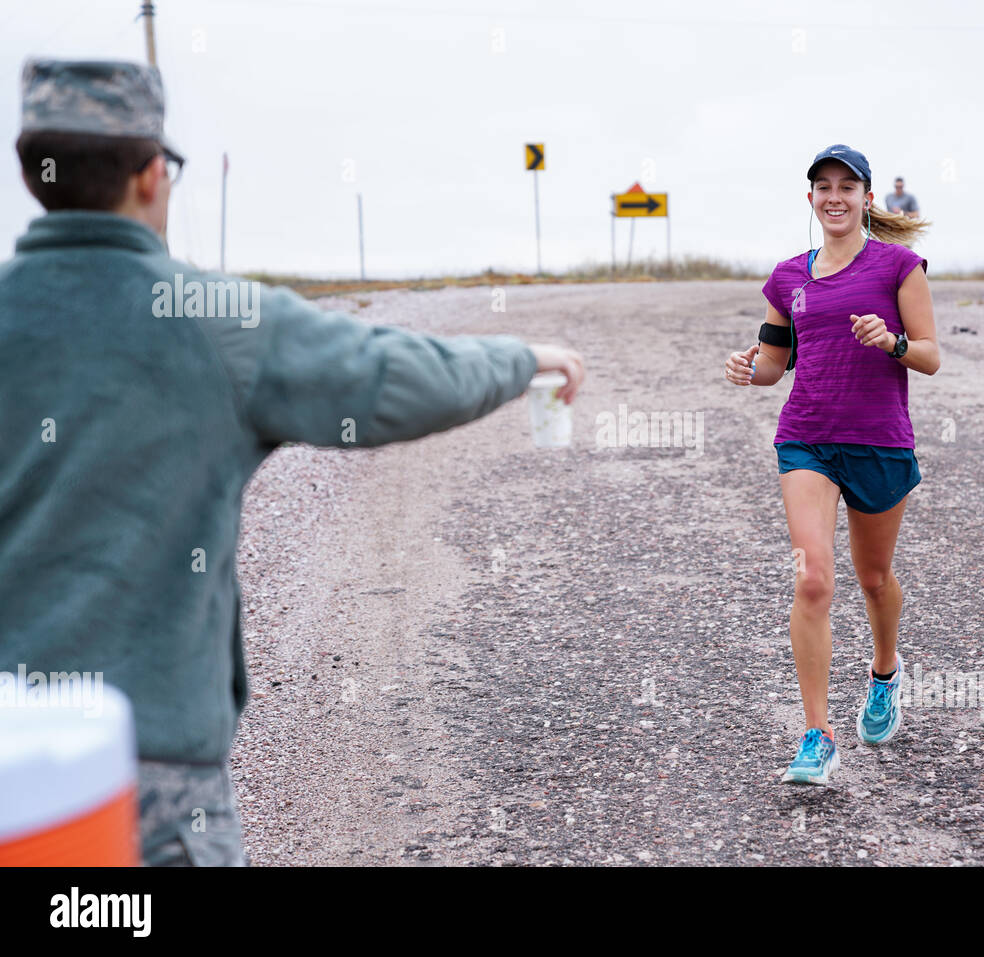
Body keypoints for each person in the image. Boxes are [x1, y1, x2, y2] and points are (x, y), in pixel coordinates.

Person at [0, 59, 584, 864]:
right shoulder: (215, 321)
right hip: (151, 785)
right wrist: (522, 358)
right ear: (147, 175)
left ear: (34, 172)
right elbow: (394, 377)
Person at [723, 144, 937, 786]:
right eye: (824, 187)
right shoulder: (789, 277)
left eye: (848, 186)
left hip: (879, 442)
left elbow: (929, 356)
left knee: (874, 578)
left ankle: (884, 674)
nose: (835, 196)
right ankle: (816, 734)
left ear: (867, 199)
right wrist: (746, 369)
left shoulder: (899, 266)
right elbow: (772, 364)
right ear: (810, 199)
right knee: (814, 578)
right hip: (807, 441)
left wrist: (892, 342)